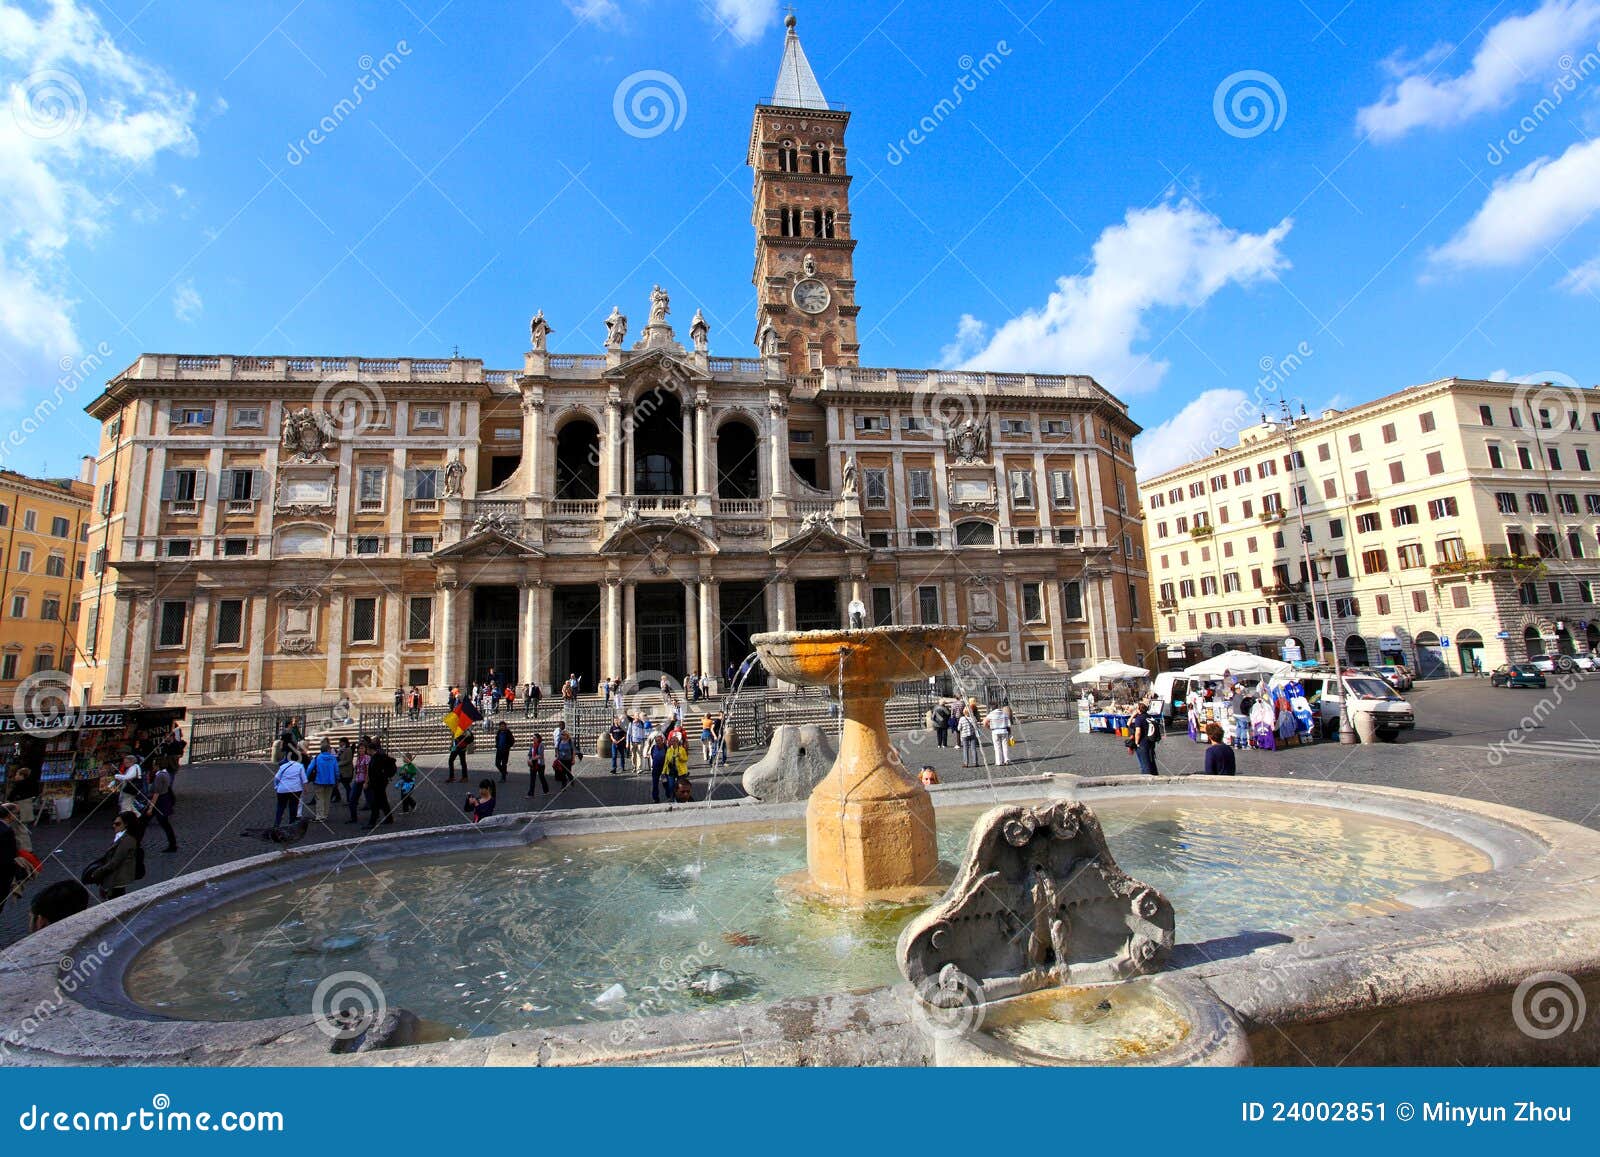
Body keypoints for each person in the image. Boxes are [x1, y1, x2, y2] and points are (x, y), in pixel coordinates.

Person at [84, 811, 141, 900]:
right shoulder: (121, 837)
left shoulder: (126, 840)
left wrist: (97, 873)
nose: (114, 826)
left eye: (117, 824)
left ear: (126, 824)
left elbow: (115, 862)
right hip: (115, 879)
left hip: (116, 880)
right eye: (113, 823)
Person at [143, 761, 179, 853]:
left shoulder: (159, 776)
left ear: (157, 766)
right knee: (164, 824)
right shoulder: (166, 774)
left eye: (154, 765)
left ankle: (173, 844)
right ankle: (173, 844)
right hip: (164, 801)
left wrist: (151, 807)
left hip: (160, 802)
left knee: (162, 823)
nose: (153, 767)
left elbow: (156, 793)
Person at [366, 740, 397, 829]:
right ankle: (389, 818)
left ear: (371, 750)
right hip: (378, 783)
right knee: (383, 802)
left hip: (379, 784)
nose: (367, 752)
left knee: (375, 803)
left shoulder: (378, 758)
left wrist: (386, 776)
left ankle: (372, 822)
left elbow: (378, 772)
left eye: (367, 750)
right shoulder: (375, 757)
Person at [307, 739, 340, 821]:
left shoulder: (317, 758)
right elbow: (336, 770)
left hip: (319, 780)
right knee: (327, 798)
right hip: (330, 781)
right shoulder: (333, 758)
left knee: (319, 798)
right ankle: (325, 814)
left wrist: (307, 778)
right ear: (328, 750)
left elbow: (310, 768)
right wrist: (337, 779)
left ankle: (319, 815)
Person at [272, 751, 307, 828]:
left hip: (282, 789)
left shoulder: (283, 766)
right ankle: (292, 824)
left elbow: (276, 778)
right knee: (293, 807)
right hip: (296, 789)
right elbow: (304, 780)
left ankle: (277, 823)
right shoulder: (300, 766)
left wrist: (276, 786)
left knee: (280, 807)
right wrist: (305, 789)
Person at [1130, 700, 1160, 776]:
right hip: (1151, 742)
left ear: (1139, 710)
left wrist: (1136, 743)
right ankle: (1155, 775)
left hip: (1142, 743)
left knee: (1144, 763)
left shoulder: (1139, 718)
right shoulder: (1149, 717)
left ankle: (1146, 779)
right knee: (1151, 761)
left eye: (1136, 709)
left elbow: (1138, 732)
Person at [347, 743, 370, 824]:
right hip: (357, 780)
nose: (361, 750)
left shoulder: (367, 758)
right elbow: (356, 769)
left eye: (362, 748)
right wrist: (354, 778)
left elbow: (368, 770)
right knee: (352, 799)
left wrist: (366, 782)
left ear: (365, 749)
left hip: (364, 780)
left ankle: (375, 815)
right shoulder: (358, 758)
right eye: (359, 748)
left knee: (369, 798)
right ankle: (353, 817)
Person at [664, 734, 689, 804]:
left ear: (678, 742)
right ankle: (672, 798)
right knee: (671, 785)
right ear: (670, 742)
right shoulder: (669, 750)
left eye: (675, 741)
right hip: (671, 770)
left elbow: (685, 759)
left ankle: (681, 798)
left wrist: (680, 756)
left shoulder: (682, 749)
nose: (674, 742)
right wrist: (663, 772)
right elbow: (666, 761)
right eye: (672, 741)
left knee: (681, 786)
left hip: (680, 771)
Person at [648, 732, 670, 803]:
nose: (658, 742)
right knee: (655, 784)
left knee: (665, 783)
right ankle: (655, 798)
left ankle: (669, 796)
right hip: (655, 769)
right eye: (656, 741)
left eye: (659, 740)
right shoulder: (653, 747)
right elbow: (652, 755)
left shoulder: (666, 748)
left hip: (664, 770)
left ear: (662, 740)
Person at [526, 731, 549, 795]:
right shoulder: (532, 745)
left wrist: (532, 759)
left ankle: (546, 790)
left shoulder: (541, 745)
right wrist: (529, 760)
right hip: (533, 764)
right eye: (533, 738)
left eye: (535, 738)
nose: (533, 739)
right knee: (532, 779)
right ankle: (531, 793)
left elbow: (540, 755)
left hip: (540, 764)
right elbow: (530, 754)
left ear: (538, 738)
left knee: (541, 777)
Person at [334, 736, 354, 805]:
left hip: (346, 771)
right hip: (341, 771)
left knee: (346, 786)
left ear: (344, 742)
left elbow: (348, 760)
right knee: (335, 784)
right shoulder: (341, 749)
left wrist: (339, 764)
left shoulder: (348, 750)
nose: (339, 743)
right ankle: (337, 796)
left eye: (340, 742)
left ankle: (350, 799)